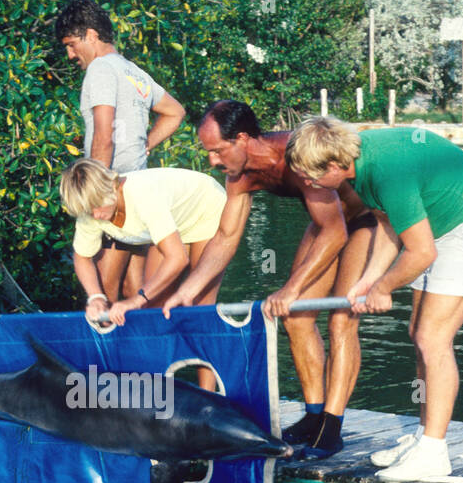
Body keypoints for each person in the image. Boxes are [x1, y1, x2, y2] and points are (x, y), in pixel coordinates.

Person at [162, 101, 397, 455]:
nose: (212, 161)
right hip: (326, 224)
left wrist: (290, 287)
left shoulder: (295, 151)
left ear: (242, 139)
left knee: (341, 319)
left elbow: (336, 233)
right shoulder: (239, 176)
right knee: (296, 317)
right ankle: (313, 415)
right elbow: (226, 237)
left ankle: (331, 429)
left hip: (367, 221)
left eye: (216, 151)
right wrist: (188, 290)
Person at [285, 116, 463, 482]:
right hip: (440, 229)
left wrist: (382, 288)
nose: (307, 184)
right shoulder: (361, 165)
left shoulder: (387, 171)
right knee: (417, 334)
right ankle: (424, 438)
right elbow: (390, 226)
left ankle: (435, 452)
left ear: (334, 165)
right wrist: (368, 281)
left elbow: (420, 253)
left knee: (433, 339)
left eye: (311, 176)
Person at [55, 0, 185, 307]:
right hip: (140, 192)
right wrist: (144, 145)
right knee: (135, 290)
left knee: (103, 290)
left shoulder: (100, 69)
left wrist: (94, 192)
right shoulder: (133, 72)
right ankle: (142, 354)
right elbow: (176, 112)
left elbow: (104, 134)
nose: (70, 55)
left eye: (72, 45)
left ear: (91, 35)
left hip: (112, 197)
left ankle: (104, 355)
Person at [61, 158, 225, 392]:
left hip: (205, 206)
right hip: (172, 220)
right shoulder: (92, 209)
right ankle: (156, 387)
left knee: (199, 307)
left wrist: (135, 299)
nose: (96, 215)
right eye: (89, 211)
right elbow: (82, 257)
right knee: (153, 310)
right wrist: (95, 297)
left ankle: (209, 397)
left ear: (111, 187)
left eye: (98, 207)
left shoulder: (143, 197)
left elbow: (178, 259)